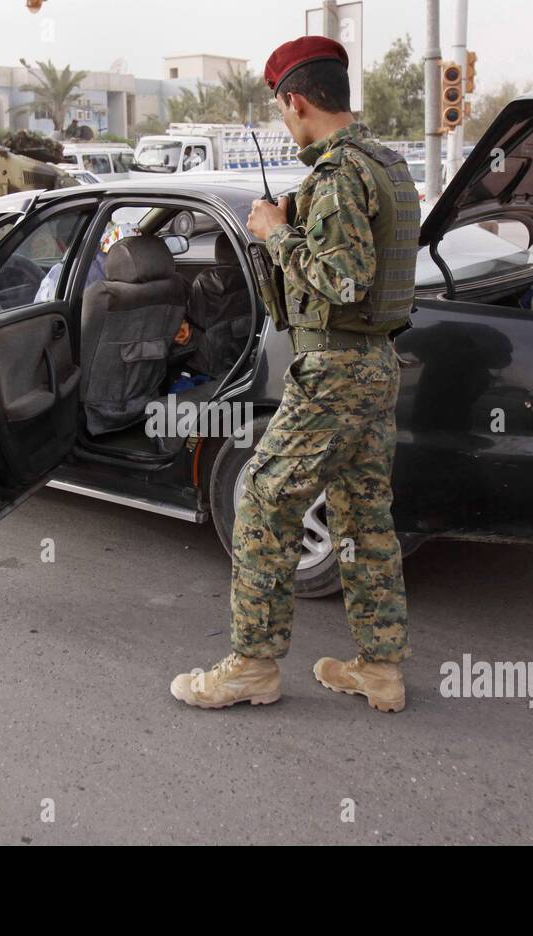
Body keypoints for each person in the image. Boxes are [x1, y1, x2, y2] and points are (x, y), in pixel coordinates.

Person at [170, 37, 419, 713]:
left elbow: (341, 279)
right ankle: (380, 667)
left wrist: (273, 231)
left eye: (282, 107)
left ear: (296, 101)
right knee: (364, 517)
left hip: (336, 368)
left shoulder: (338, 176)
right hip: (375, 363)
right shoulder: (387, 163)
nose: (284, 119)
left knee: (260, 503)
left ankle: (252, 666)